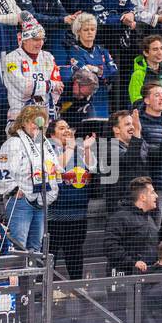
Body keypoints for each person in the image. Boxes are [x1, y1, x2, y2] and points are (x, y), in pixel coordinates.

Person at [0, 105, 60, 253]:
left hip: (42, 200)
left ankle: (33, 277)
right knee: (19, 246)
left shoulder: (44, 144)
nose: (37, 125)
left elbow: (53, 168)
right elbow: (0, 170)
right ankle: (16, 276)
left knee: (36, 246)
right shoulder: (13, 143)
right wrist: (14, 189)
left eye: (41, 122)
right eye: (33, 121)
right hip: (21, 202)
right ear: (23, 122)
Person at [46, 119, 97, 281]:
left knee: (75, 253)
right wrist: (69, 148)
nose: (67, 130)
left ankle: (77, 287)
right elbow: (54, 168)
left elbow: (92, 167)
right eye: (62, 128)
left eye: (68, 127)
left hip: (79, 215)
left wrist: (86, 148)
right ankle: (43, 291)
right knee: (49, 255)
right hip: (54, 217)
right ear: (52, 134)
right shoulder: (47, 149)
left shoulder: (77, 148)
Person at [0, 14, 61, 124]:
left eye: (42, 39)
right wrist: (49, 85)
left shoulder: (48, 56)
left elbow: (58, 87)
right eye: (36, 39)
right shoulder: (11, 58)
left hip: (44, 115)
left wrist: (50, 87)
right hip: (19, 116)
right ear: (24, 40)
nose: (40, 43)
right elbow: (23, 87)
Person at [62, 13, 117, 119]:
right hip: (84, 100)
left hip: (103, 97)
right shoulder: (74, 51)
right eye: (86, 30)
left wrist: (95, 69)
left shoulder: (102, 51)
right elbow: (84, 76)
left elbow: (113, 71)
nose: (90, 32)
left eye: (92, 29)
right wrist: (101, 72)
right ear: (78, 32)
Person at [103, 110, 159, 213]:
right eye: (128, 124)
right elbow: (129, 160)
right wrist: (137, 132)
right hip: (122, 207)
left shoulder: (140, 144)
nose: (132, 127)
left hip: (143, 204)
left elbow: (161, 155)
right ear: (116, 129)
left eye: (133, 123)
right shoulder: (109, 147)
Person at [105, 177, 159, 275]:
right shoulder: (120, 217)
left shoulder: (149, 218)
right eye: (152, 192)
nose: (156, 195)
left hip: (147, 275)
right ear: (142, 197)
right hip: (123, 277)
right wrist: (133, 263)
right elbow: (110, 247)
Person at [127, 35, 162, 109]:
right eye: (155, 49)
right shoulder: (138, 74)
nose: (160, 52)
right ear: (146, 53)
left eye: (161, 48)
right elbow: (136, 101)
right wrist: (159, 107)